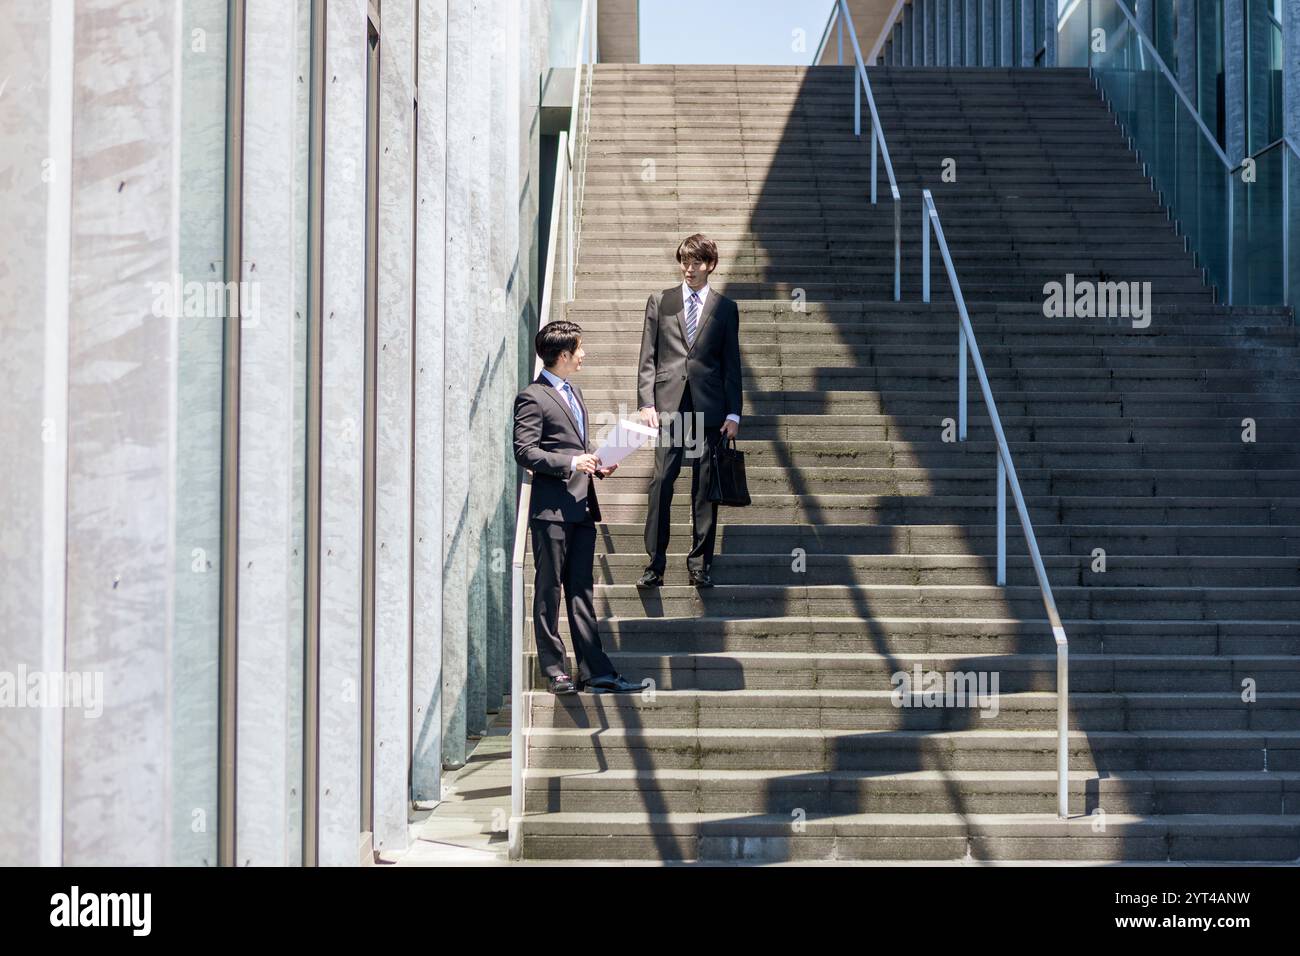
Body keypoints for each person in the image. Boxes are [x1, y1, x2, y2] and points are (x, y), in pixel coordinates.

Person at [513, 320, 640, 695]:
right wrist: (571, 464)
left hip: (582, 507)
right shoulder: (532, 397)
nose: (584, 355)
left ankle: (595, 671)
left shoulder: (574, 392)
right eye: (579, 349)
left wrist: (597, 464)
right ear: (563, 355)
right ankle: (555, 671)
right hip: (551, 511)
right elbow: (525, 452)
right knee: (549, 590)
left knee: (582, 590)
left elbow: (573, 448)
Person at [636, 234, 743, 589]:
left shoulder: (725, 308)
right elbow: (648, 356)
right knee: (661, 483)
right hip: (670, 407)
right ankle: (655, 563)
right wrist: (646, 402)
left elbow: (731, 365)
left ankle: (699, 564)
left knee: (704, 490)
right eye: (685, 262)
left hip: (710, 409)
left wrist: (734, 414)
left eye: (696, 262)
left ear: (710, 265)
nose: (689, 269)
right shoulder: (661, 301)